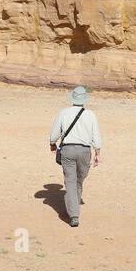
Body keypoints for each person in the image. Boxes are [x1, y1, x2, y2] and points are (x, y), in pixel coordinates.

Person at [48, 86, 101, 227]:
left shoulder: (63, 113)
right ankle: (74, 214)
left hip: (68, 150)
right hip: (85, 151)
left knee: (72, 181)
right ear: (84, 100)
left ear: (72, 98)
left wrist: (52, 144)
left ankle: (73, 208)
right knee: (78, 180)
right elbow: (96, 135)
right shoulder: (91, 115)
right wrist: (97, 153)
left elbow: (54, 134)